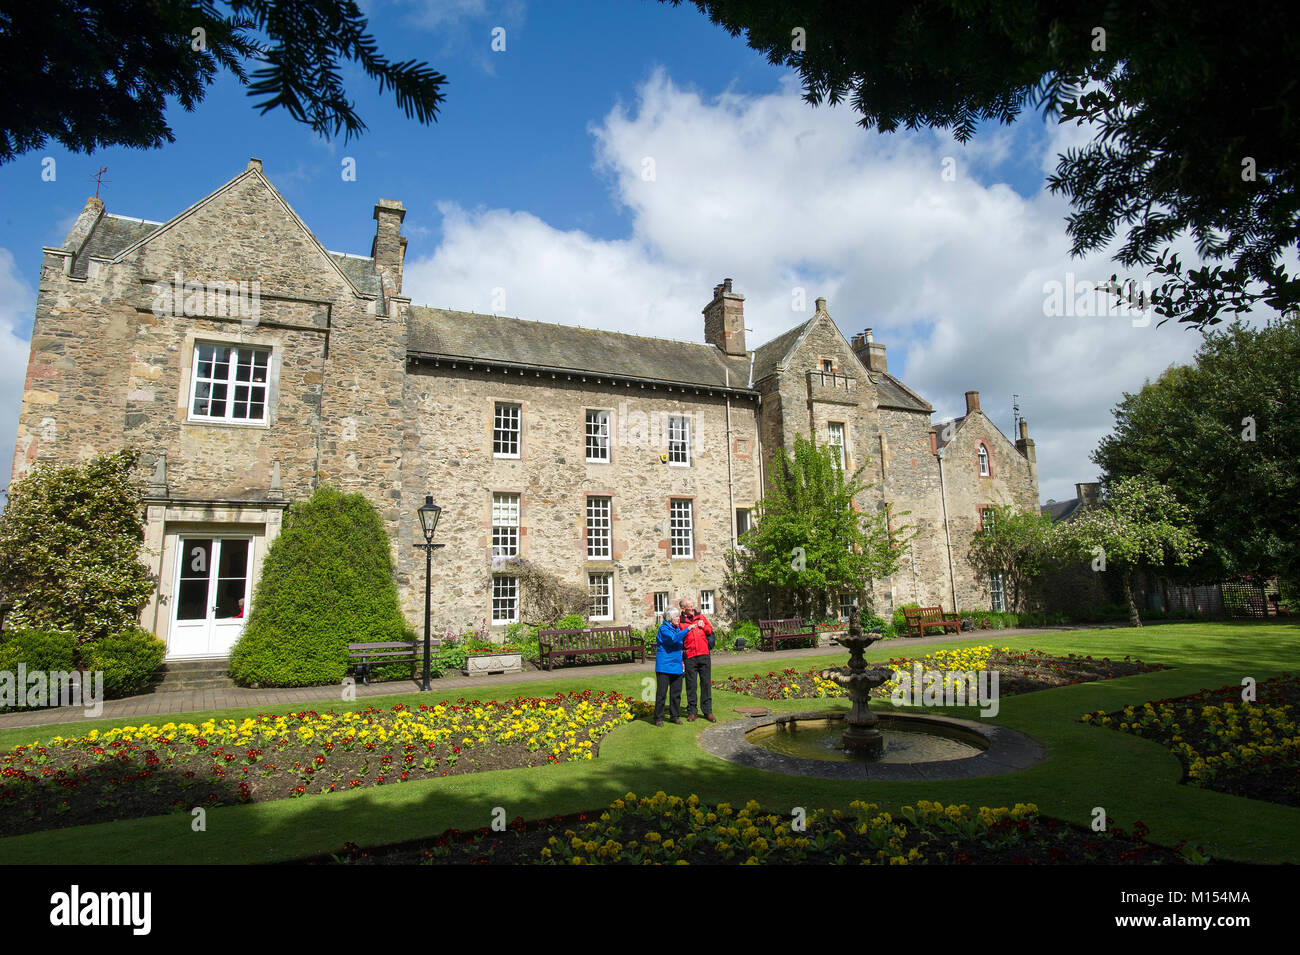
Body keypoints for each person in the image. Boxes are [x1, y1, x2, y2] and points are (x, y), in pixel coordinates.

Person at [678, 597, 715, 722]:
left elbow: (710, 630)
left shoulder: (701, 617)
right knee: (691, 685)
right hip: (690, 657)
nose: (693, 608)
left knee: (705, 684)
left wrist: (704, 626)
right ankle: (692, 711)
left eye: (693, 605)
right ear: (683, 609)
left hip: (704, 654)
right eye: (690, 606)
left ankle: (707, 711)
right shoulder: (680, 622)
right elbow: (678, 639)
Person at [654, 608, 687, 726]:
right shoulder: (663, 629)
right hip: (664, 666)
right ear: (670, 618)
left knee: (676, 693)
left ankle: (675, 716)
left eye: (678, 616)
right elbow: (673, 639)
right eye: (676, 617)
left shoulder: (677, 628)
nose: (679, 618)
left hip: (677, 665)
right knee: (662, 694)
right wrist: (688, 629)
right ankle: (658, 717)